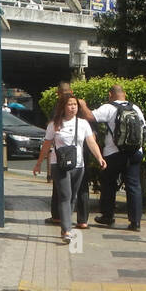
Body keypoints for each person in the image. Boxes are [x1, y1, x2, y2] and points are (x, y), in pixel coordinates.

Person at [34, 93, 105, 243]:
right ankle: (67, 230)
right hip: (58, 165)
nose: (73, 107)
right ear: (63, 107)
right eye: (69, 104)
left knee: (73, 196)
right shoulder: (54, 125)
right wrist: (39, 163)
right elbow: (46, 144)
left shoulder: (83, 124)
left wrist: (99, 157)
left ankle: (65, 226)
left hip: (78, 165)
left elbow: (91, 142)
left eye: (75, 105)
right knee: (65, 196)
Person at [92, 85, 146, 230]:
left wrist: (82, 105)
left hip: (113, 153)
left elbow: (91, 116)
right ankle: (135, 222)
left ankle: (107, 216)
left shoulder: (108, 108)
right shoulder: (136, 108)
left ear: (110, 95)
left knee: (108, 184)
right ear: (125, 94)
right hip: (135, 152)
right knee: (134, 186)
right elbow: (144, 129)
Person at [45, 81, 95, 225]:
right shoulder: (79, 104)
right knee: (82, 187)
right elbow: (91, 121)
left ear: (57, 93)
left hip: (63, 154)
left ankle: (58, 218)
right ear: (72, 91)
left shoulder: (60, 106)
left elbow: (51, 129)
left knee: (61, 190)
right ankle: (82, 220)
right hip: (81, 150)